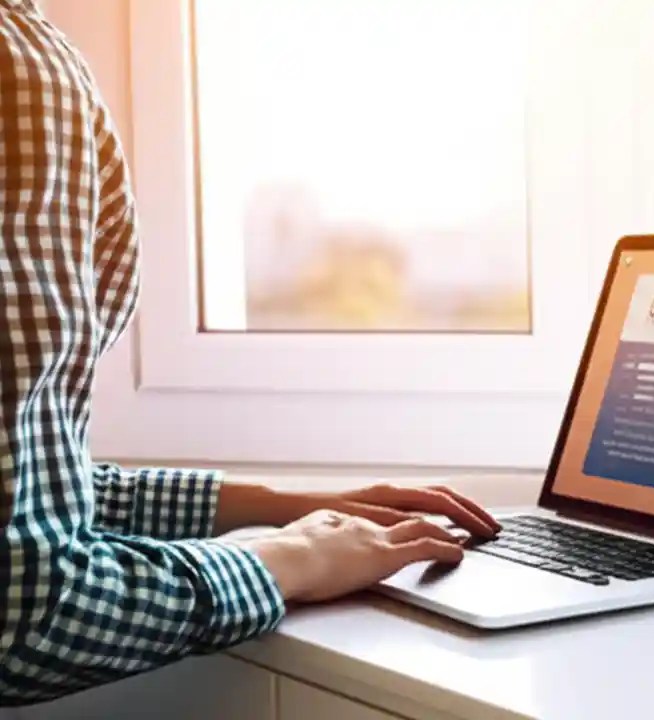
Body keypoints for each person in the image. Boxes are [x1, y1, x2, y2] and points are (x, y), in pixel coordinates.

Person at [0, 1, 501, 705]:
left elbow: (30, 499)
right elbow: (28, 618)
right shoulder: (19, 68)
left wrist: (266, 506)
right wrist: (289, 556)